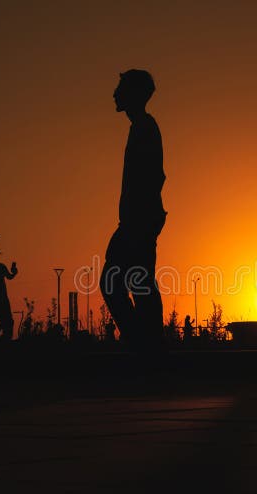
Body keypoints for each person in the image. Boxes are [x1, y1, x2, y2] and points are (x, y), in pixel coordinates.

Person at [100, 69, 167, 353]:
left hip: (138, 220)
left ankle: (144, 342)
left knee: (123, 281)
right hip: (136, 219)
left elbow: (155, 176)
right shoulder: (139, 127)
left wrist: (140, 219)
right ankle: (146, 343)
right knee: (134, 280)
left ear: (135, 94)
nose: (115, 94)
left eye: (121, 88)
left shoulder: (145, 128)